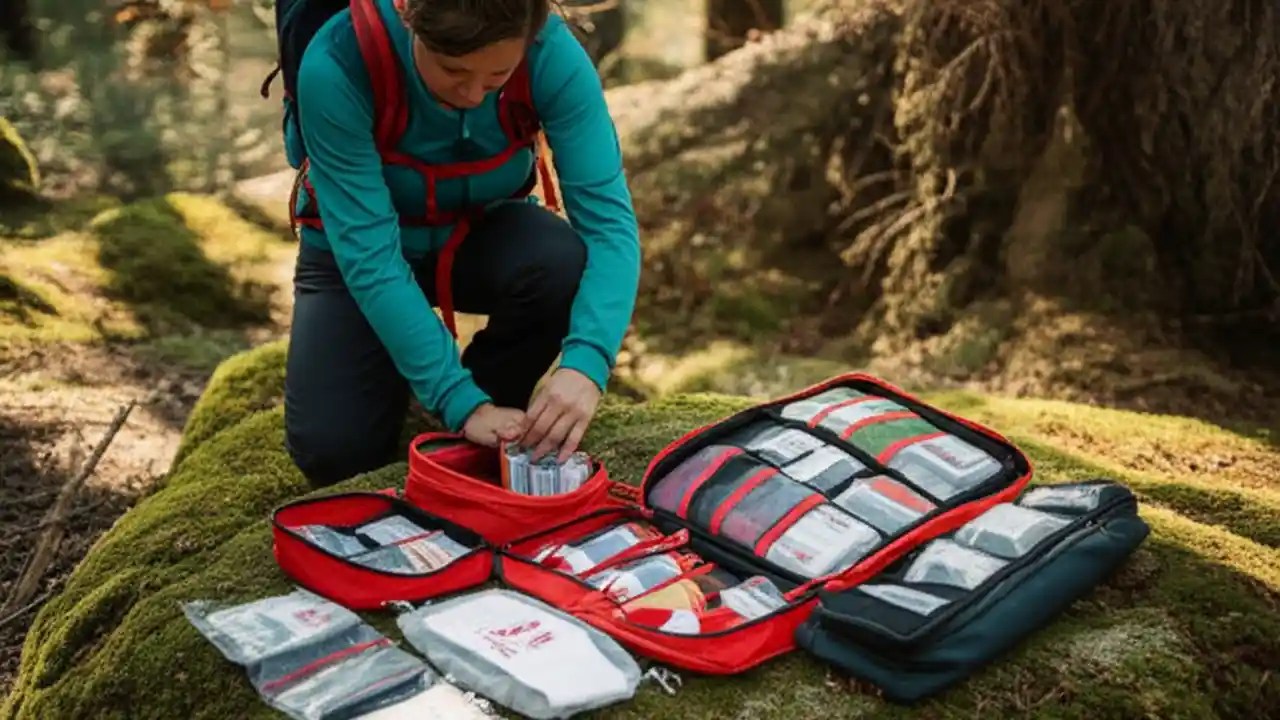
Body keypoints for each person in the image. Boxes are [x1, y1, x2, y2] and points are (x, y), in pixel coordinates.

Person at [281, 0, 640, 486]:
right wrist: (456, 399)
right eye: (453, 70)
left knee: (558, 260)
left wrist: (588, 363)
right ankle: (443, 398)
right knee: (335, 453)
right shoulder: (339, 63)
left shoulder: (552, 54)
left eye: (496, 76)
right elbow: (371, 260)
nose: (473, 95)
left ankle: (492, 404)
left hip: (477, 234)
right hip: (351, 258)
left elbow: (609, 225)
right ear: (409, 18)